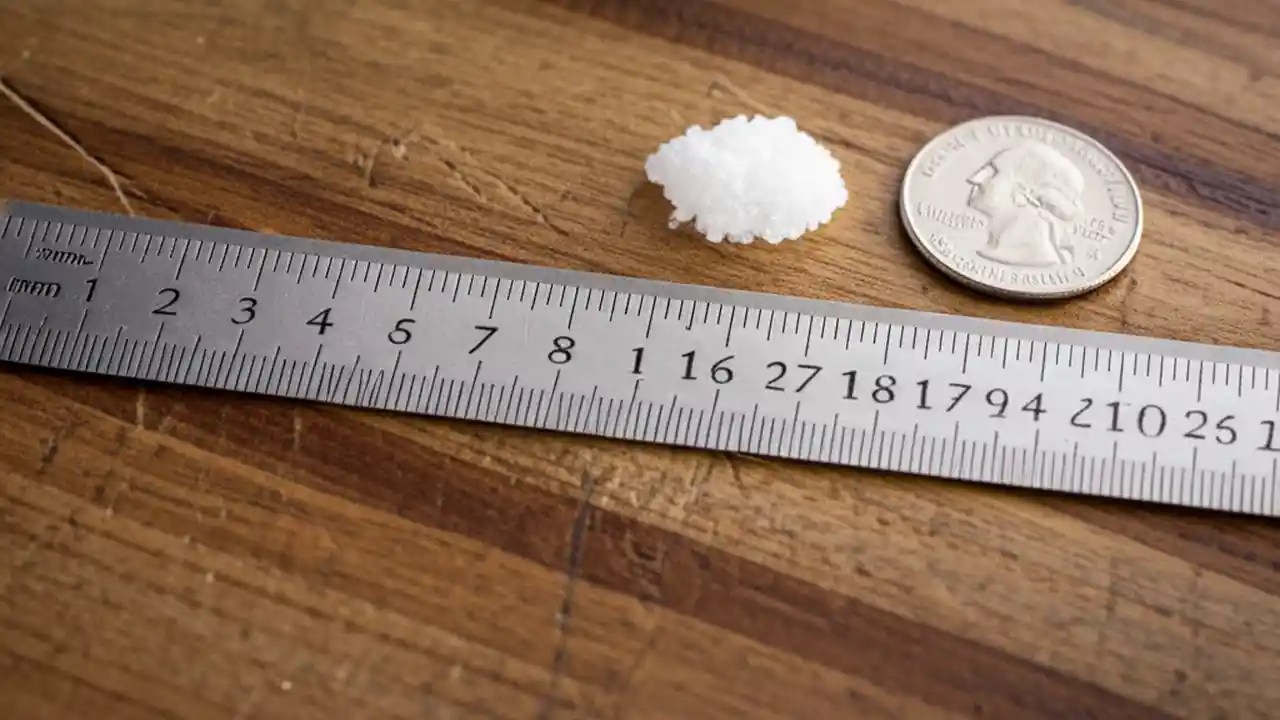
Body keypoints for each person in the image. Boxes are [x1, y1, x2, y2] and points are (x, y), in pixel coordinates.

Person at [966, 141, 1085, 267]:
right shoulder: (998, 246)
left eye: (994, 172)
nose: (976, 179)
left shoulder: (1037, 256)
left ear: (1023, 192)